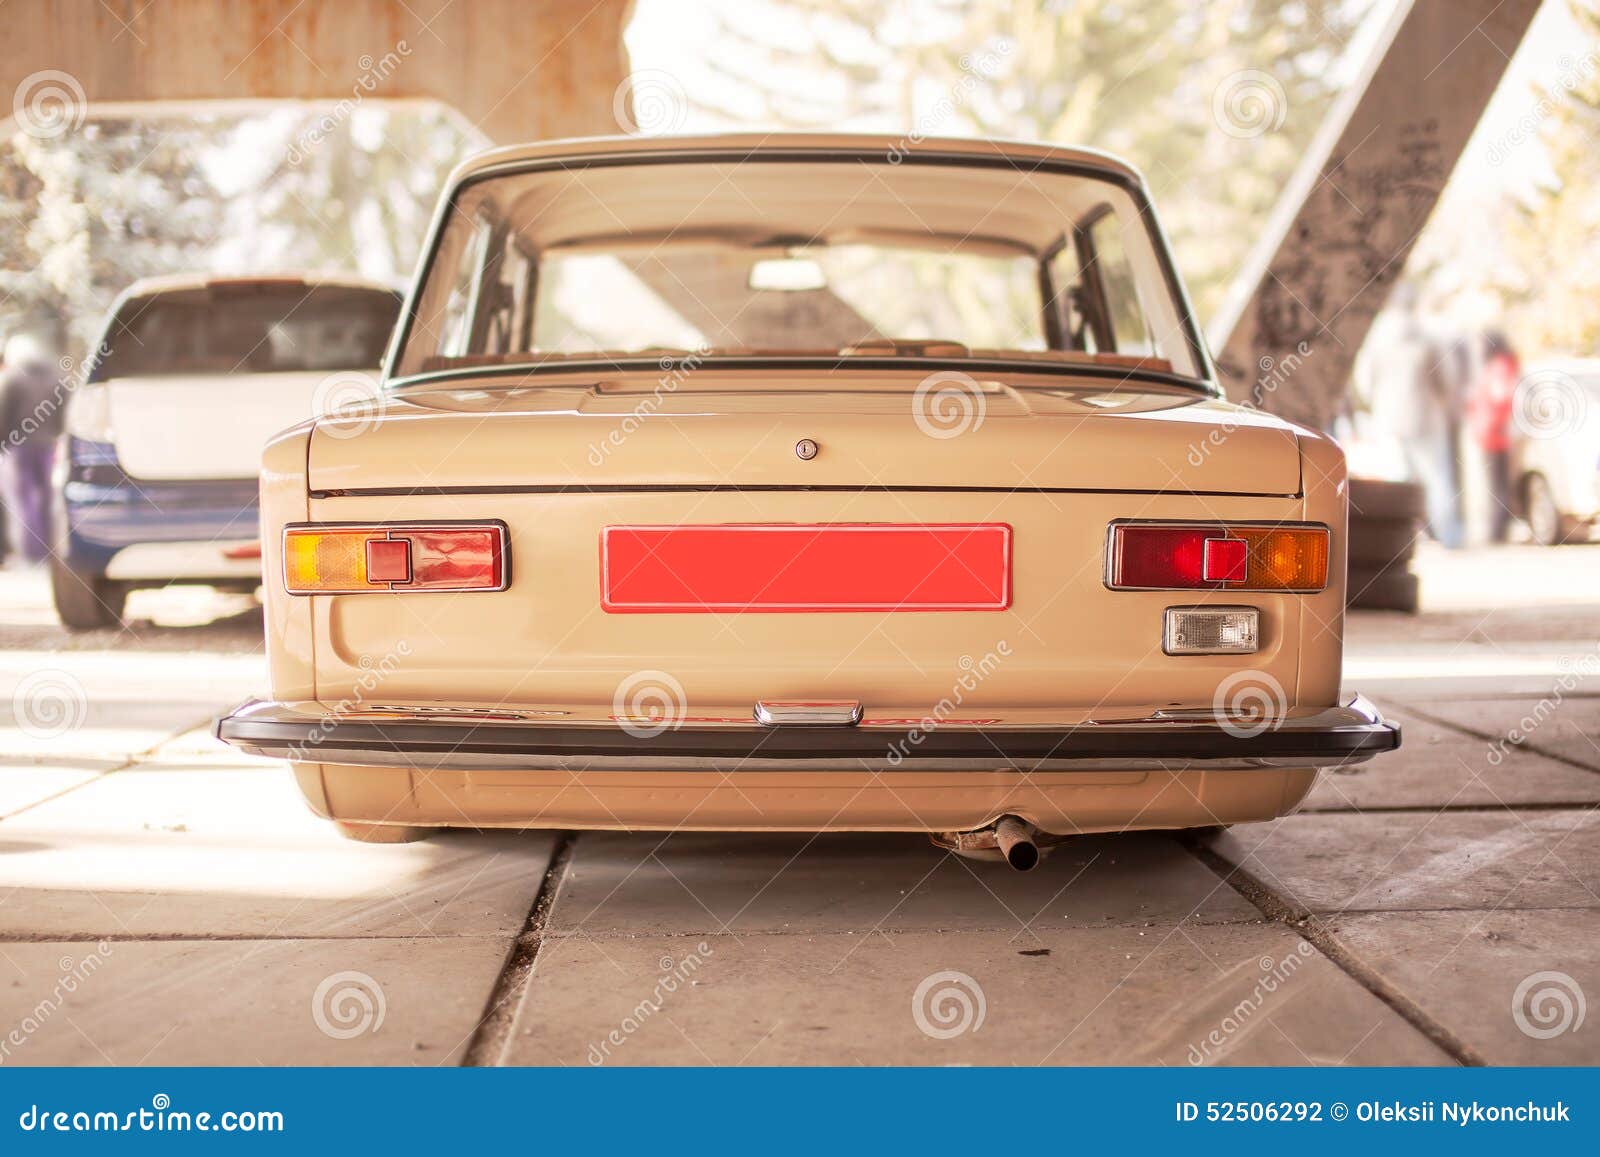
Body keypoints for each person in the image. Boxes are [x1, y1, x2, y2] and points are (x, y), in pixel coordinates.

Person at [0, 333, 66, 563]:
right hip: (48, 444)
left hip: (19, 447)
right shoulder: (55, 378)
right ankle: (51, 548)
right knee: (47, 497)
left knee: (24, 498)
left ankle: (32, 551)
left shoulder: (12, 379)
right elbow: (63, 412)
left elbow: (3, 415)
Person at [1469, 329, 1519, 543]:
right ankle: (1497, 528)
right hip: (1491, 432)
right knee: (1497, 484)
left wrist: (1492, 424)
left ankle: (1497, 530)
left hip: (1495, 433)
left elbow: (1501, 396)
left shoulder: (1500, 366)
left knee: (1498, 485)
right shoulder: (1500, 365)